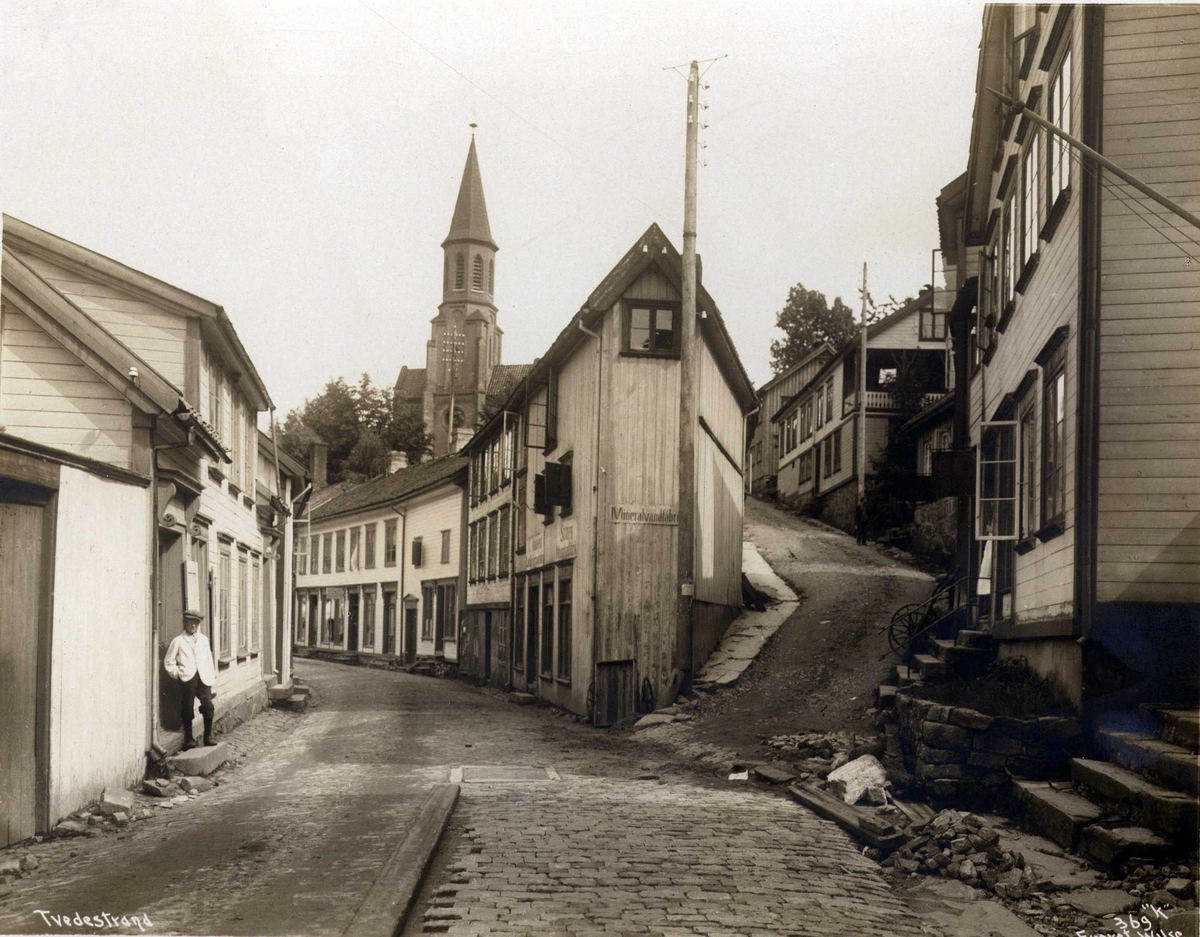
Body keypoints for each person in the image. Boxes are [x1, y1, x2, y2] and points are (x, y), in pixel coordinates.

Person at [164, 610, 216, 750]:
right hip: (187, 678)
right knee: (187, 707)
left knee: (208, 705)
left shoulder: (203, 639)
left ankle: (208, 736)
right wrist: (178, 673)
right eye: (190, 622)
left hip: (203, 677)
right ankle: (189, 738)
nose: (192, 625)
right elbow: (168, 662)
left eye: (195, 623)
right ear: (185, 623)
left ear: (199, 624)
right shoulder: (178, 641)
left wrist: (211, 678)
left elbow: (208, 660)